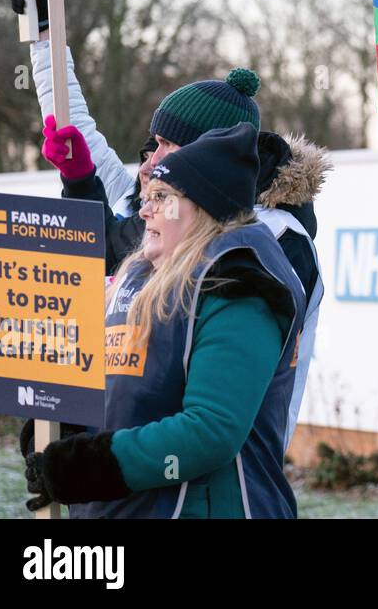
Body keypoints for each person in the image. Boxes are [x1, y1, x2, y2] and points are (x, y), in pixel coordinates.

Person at [17, 0, 330, 446]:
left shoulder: (272, 239)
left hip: (226, 468)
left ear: (214, 156)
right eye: (152, 143)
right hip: (133, 451)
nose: (150, 160)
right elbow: (71, 123)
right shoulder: (147, 200)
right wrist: (44, 33)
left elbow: (151, 268)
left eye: (168, 145)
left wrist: (91, 202)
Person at [22, 124, 307, 518]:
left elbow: (210, 431)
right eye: (146, 196)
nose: (143, 210)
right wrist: (66, 431)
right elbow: (125, 383)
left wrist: (89, 465)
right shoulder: (146, 273)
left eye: (161, 197)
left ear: (204, 207)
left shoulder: (241, 289)